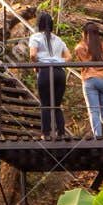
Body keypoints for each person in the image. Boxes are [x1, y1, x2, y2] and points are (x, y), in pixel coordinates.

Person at [27, 10, 69, 139]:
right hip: (59, 72)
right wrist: (59, 62)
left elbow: (33, 55)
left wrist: (37, 65)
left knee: (46, 103)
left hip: (45, 71)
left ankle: (46, 133)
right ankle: (61, 132)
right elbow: (69, 57)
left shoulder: (36, 37)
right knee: (56, 104)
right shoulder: (58, 39)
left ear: (39, 24)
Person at [73, 21, 103, 140]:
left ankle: (98, 137)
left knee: (94, 112)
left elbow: (79, 53)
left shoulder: (82, 47)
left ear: (85, 33)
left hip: (90, 79)